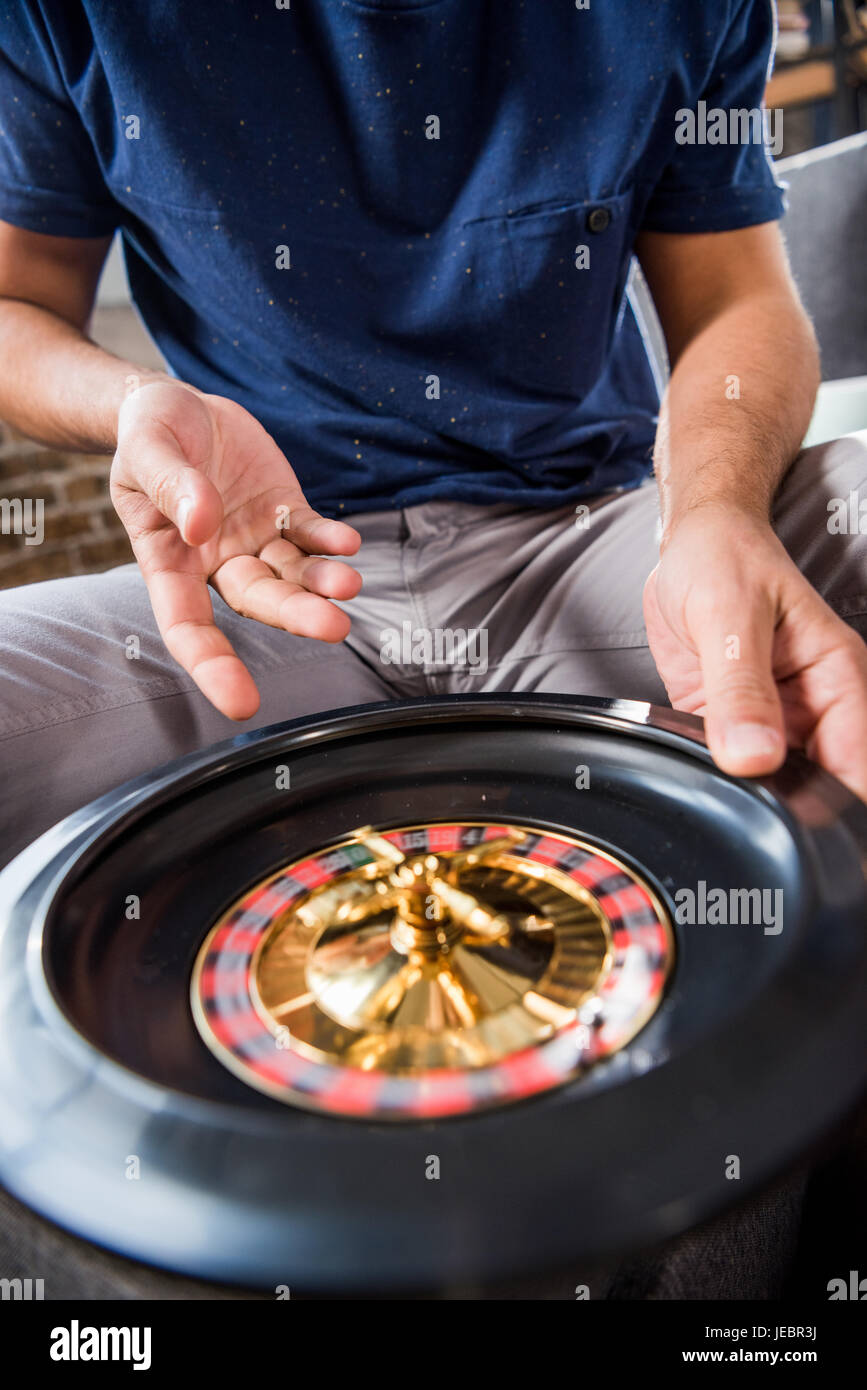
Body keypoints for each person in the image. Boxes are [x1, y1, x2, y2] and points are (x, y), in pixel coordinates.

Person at [0, 0, 864, 1299]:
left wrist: (720, 515)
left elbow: (741, 292)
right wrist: (135, 406)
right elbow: (14, 300)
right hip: (272, 579)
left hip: (595, 543)